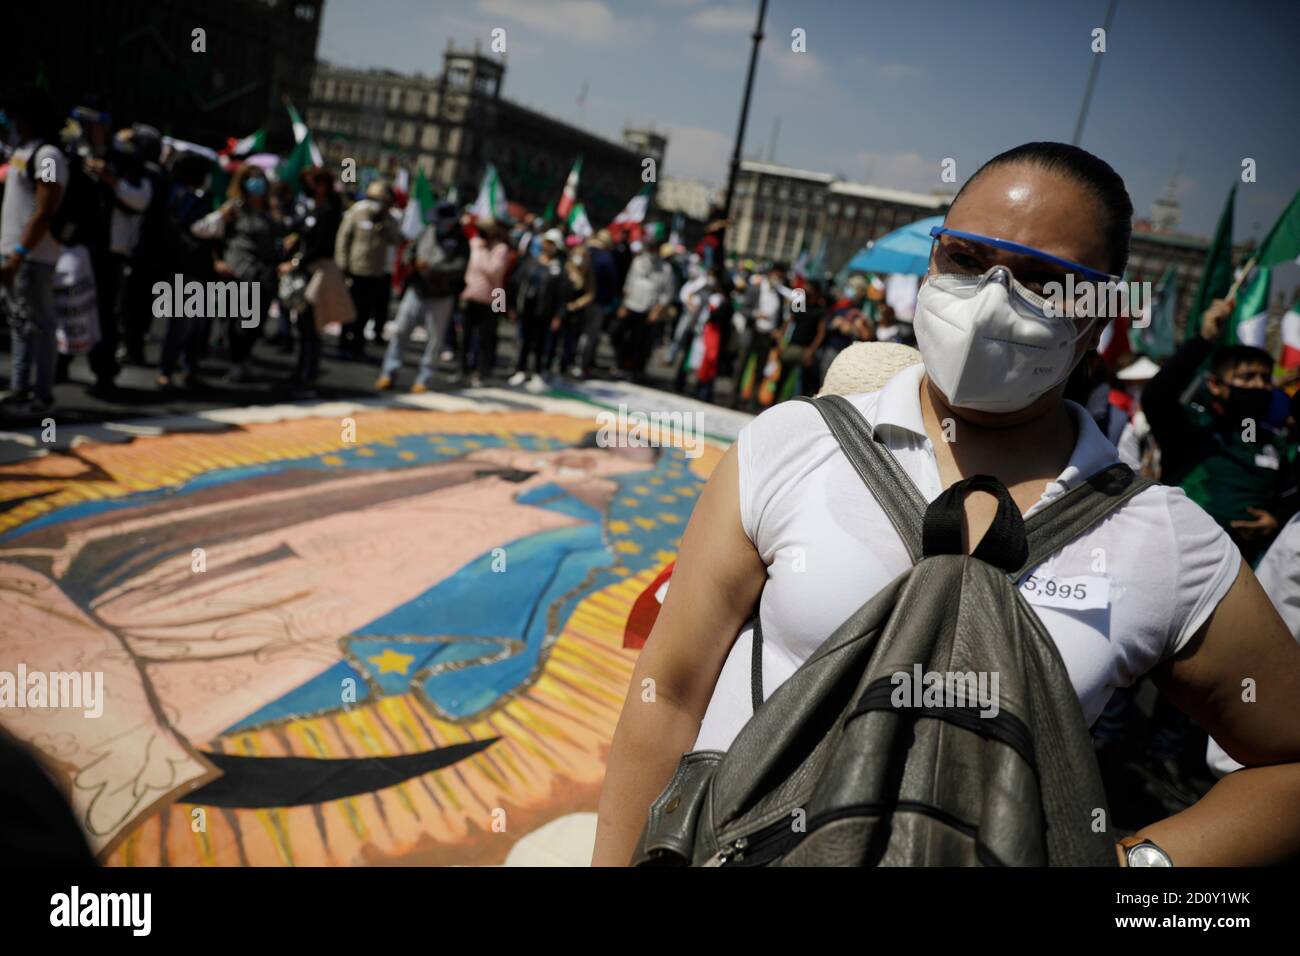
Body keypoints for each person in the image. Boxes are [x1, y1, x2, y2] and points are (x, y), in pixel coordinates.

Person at [593, 141, 1300, 867]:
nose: (992, 299)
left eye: (1043, 279)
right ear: (934, 261)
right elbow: (669, 694)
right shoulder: (792, 444)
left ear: (1098, 314)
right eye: (966, 258)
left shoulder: (1157, 535)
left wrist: (1134, 868)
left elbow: (1288, 764)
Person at [1143, 314, 1299, 567]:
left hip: (1236, 568)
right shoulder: (1192, 428)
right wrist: (1203, 340)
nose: (1259, 386)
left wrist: (1275, 519)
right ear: (1216, 385)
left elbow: (1291, 492)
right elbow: (1156, 396)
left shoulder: (1268, 440)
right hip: (1172, 555)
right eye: (1248, 377)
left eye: (1264, 378)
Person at [0, 85, 66, 414]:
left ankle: (41, 395)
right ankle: (20, 388)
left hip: (33, 255)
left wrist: (19, 253)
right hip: (18, 252)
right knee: (19, 321)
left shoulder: (48, 155)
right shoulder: (22, 151)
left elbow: (46, 208)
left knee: (37, 324)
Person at [190, 165, 281, 383]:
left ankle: (244, 357)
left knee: (256, 322)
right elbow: (212, 235)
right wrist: (218, 261)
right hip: (237, 273)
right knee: (238, 322)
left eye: (260, 179)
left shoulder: (270, 212)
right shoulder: (234, 209)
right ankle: (237, 361)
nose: (256, 184)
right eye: (251, 179)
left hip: (263, 274)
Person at [377, 200, 468, 393]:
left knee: (435, 339)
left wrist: (434, 268)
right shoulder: (426, 231)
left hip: (441, 295)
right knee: (401, 330)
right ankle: (389, 372)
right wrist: (413, 262)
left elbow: (459, 267)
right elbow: (408, 252)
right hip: (417, 290)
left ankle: (424, 378)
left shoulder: (460, 240)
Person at [281, 167, 344, 394]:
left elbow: (321, 245)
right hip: (308, 269)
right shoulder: (316, 209)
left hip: (316, 272)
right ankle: (302, 370)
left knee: (312, 325)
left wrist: (297, 262)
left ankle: (309, 373)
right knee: (304, 323)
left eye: (313, 182)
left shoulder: (328, 211)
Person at [335, 179, 402, 359]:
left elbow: (397, 240)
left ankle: (358, 345)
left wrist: (385, 223)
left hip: (375, 273)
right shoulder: (357, 213)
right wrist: (342, 265)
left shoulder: (390, 220)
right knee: (348, 308)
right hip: (355, 270)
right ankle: (343, 342)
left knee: (365, 312)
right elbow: (343, 239)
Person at [456, 215, 511, 387]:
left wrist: (485, 251)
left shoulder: (501, 249)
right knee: (465, 335)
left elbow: (494, 271)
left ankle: (482, 371)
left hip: (496, 295)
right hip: (470, 294)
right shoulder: (473, 244)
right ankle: (462, 369)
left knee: (488, 335)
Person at [507, 227, 564, 392]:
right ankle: (521, 369)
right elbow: (515, 283)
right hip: (527, 309)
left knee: (541, 343)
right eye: (546, 242)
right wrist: (510, 306)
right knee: (524, 340)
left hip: (545, 312)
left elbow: (561, 295)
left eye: (551, 243)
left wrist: (558, 315)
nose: (547, 246)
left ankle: (538, 371)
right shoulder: (531, 261)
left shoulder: (558, 268)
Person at [614, 240, 676, 380]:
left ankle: (634, 370)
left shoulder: (666, 269)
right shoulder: (638, 262)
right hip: (631, 306)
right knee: (619, 335)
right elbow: (629, 283)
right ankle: (620, 365)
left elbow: (667, 294)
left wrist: (657, 311)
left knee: (641, 343)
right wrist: (624, 304)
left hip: (648, 311)